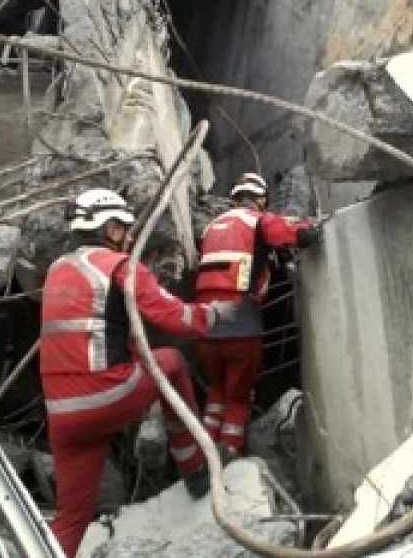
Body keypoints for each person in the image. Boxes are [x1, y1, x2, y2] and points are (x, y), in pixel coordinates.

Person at [40, 188, 236, 557]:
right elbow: (173, 317)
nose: (129, 237)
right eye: (125, 229)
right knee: (172, 363)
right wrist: (216, 315)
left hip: (63, 417)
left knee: (71, 520)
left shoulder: (56, 270)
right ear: (110, 229)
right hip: (105, 396)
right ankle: (195, 469)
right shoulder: (118, 266)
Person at [194, 173, 320, 459]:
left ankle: (203, 454)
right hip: (239, 325)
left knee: (216, 390)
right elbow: (296, 235)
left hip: (203, 326)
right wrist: (311, 230)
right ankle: (229, 453)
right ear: (260, 200)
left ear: (234, 198)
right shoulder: (257, 220)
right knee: (238, 395)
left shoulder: (211, 227)